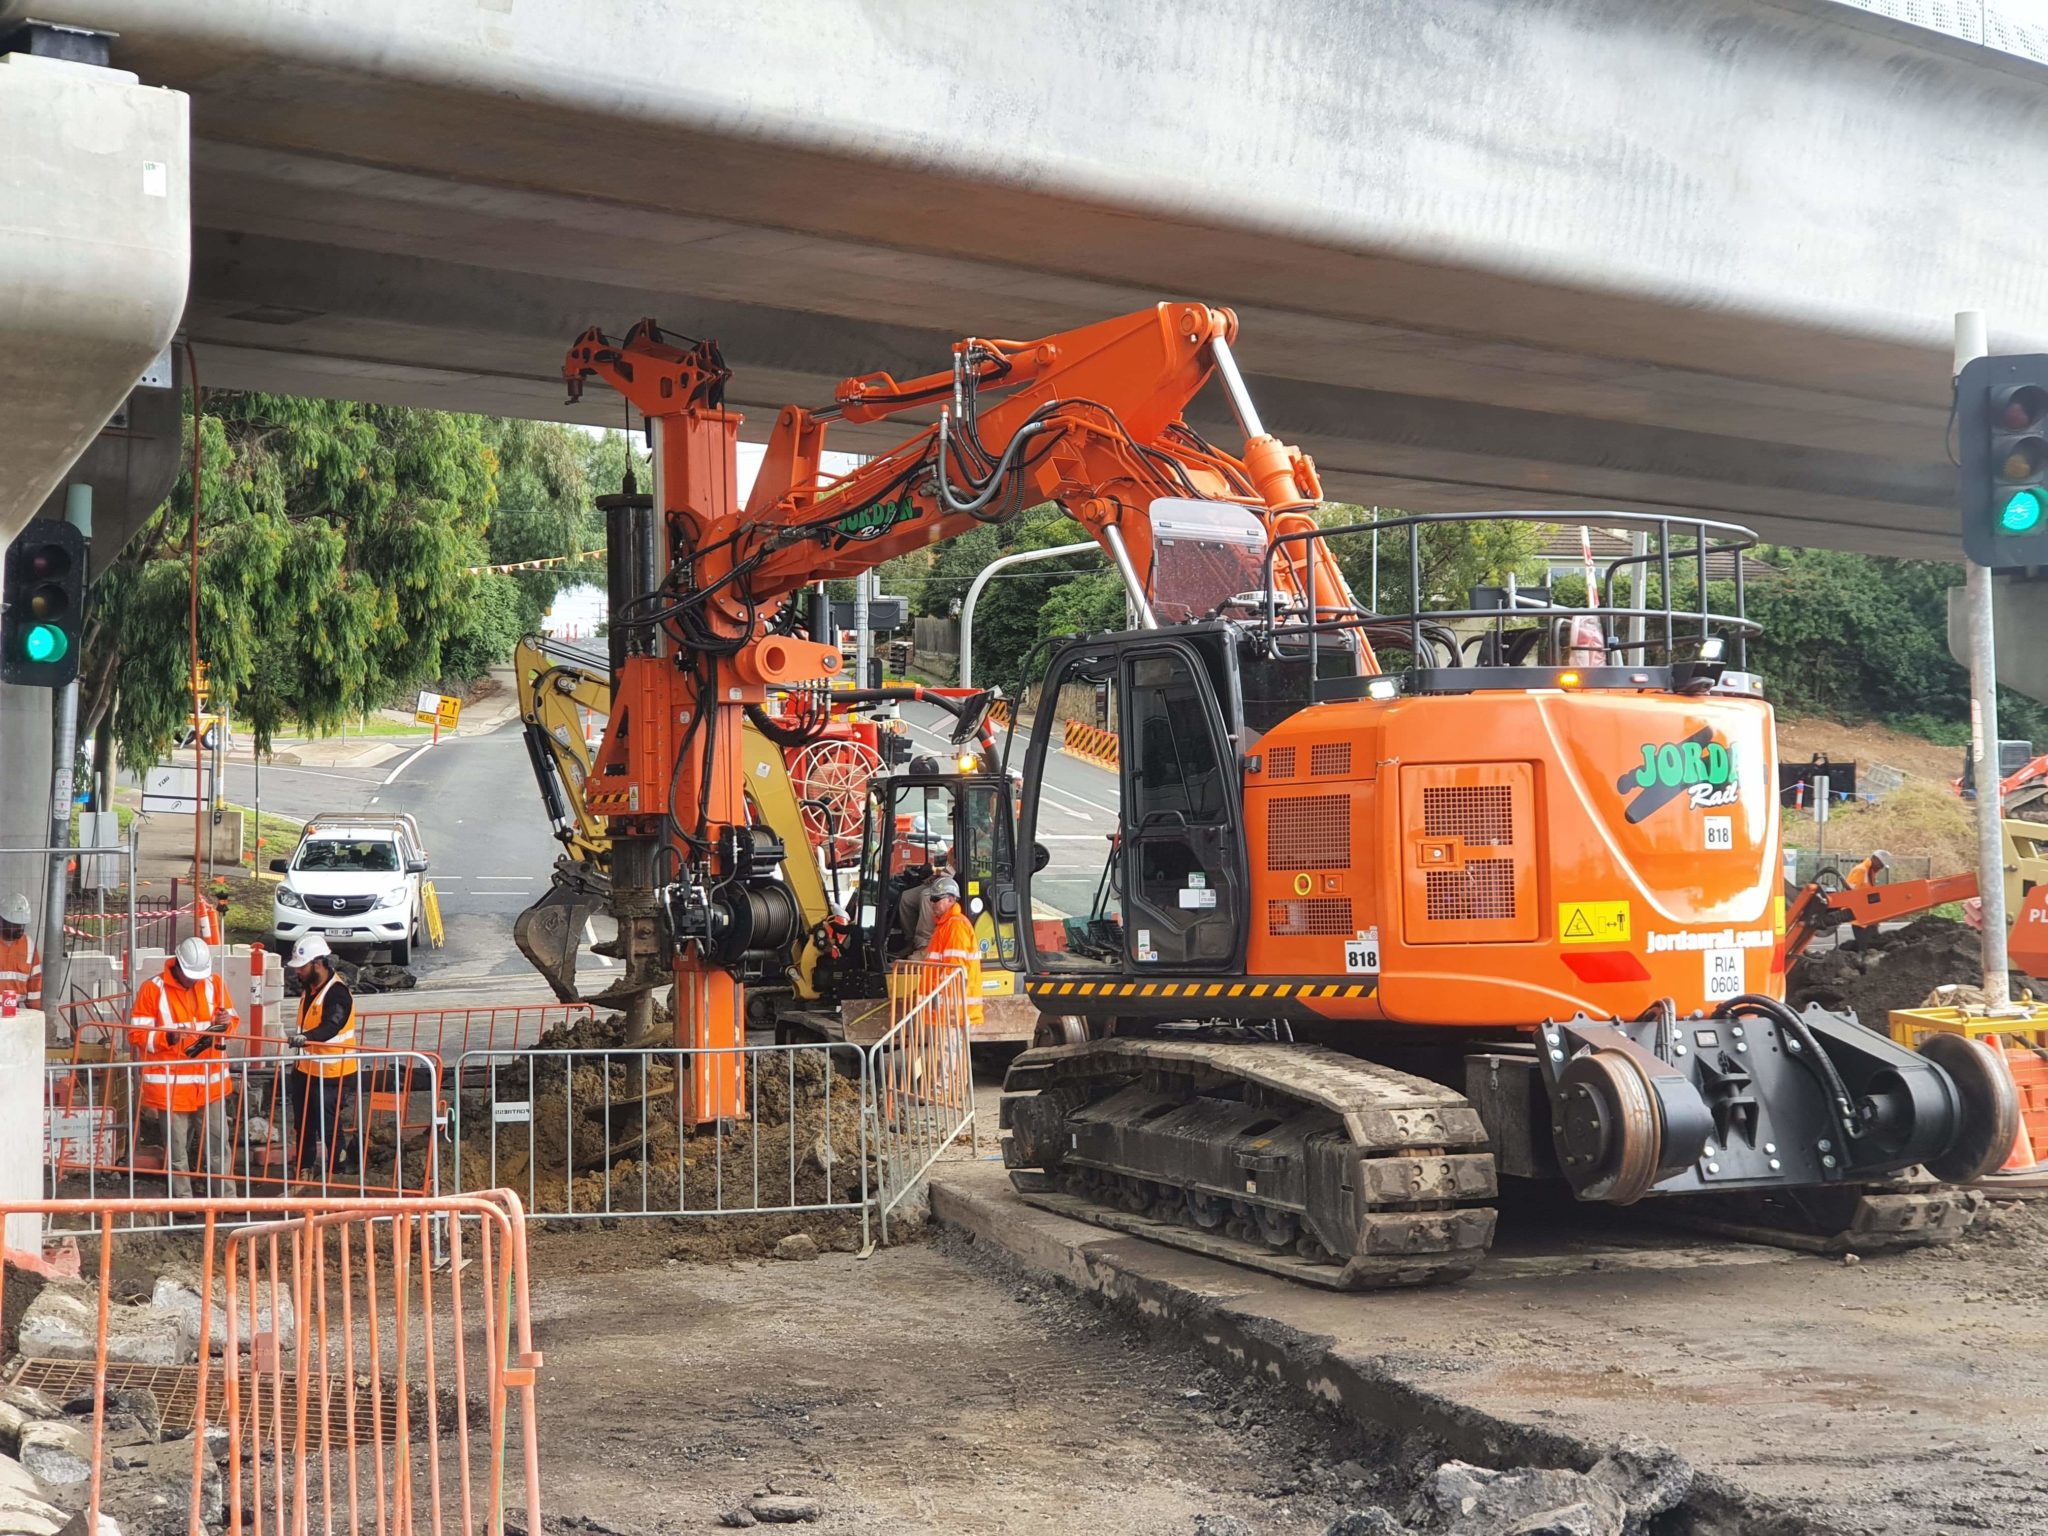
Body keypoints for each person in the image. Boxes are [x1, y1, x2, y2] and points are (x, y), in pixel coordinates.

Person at [127, 937, 237, 1198]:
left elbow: (231, 1024)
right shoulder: (152, 989)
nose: (194, 981)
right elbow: (136, 1034)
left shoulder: (215, 984)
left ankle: (226, 1197)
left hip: (210, 1082)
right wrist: (168, 1037)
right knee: (177, 1149)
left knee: (218, 1144)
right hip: (173, 1085)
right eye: (190, 976)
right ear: (177, 964)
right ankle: (183, 1200)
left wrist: (226, 1022)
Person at [285, 936, 358, 1182]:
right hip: (306, 1069)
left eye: (302, 966)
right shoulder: (311, 988)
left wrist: (306, 1037)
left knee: (329, 1124)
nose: (298, 971)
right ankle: (305, 1168)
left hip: (332, 1072)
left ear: (318, 963)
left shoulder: (337, 993)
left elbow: (332, 1026)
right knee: (304, 1123)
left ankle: (337, 1172)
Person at [922, 877, 985, 1030]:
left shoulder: (955, 927)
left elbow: (954, 972)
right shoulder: (945, 926)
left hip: (953, 1016)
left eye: (936, 898)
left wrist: (935, 996)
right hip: (948, 1014)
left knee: (948, 1053)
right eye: (932, 899)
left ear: (950, 899)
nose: (932, 903)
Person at [894, 848, 950, 954]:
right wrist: (936, 875)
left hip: (951, 886)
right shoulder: (954, 848)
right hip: (941, 880)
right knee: (906, 898)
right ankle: (911, 942)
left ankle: (924, 946)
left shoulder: (978, 844)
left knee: (926, 896)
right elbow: (949, 867)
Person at [1843, 848, 1892, 951]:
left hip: (1868, 917)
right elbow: (1850, 891)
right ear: (1875, 859)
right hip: (1860, 918)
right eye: (1880, 865)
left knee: (1872, 945)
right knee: (1865, 947)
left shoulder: (1871, 872)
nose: (1881, 868)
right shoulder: (1861, 870)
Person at [0, 892, 41, 1011]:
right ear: (1, 921)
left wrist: (36, 1015)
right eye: (14, 924)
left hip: (15, 1012)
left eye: (21, 925)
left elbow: (35, 984)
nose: (19, 929)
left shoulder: (28, 945)